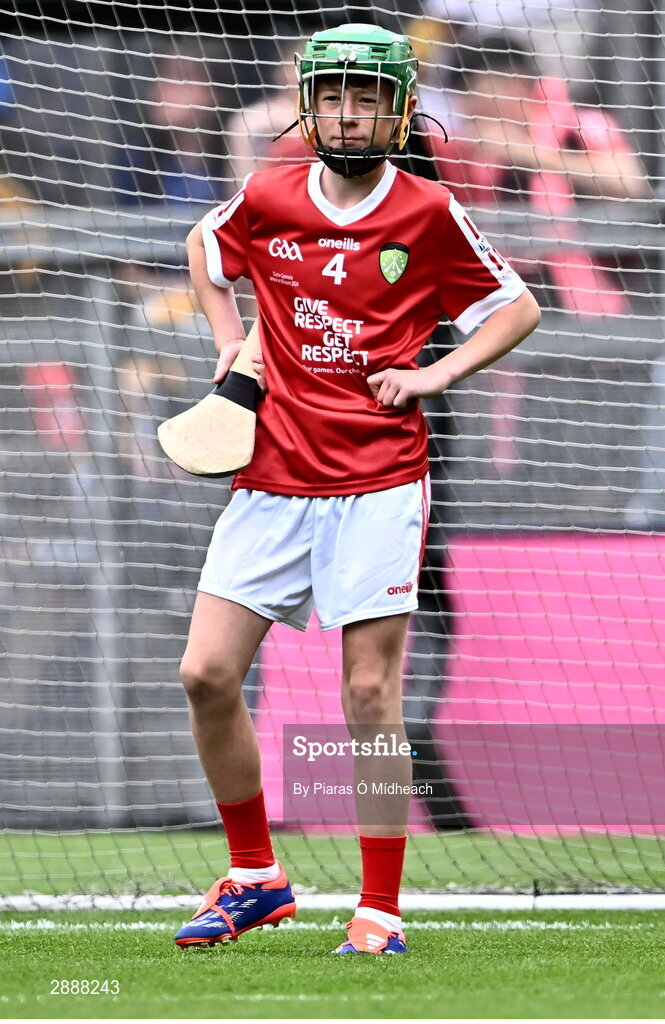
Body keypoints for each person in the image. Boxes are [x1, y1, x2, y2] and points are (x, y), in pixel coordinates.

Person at [174, 22, 540, 956]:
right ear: (309, 105)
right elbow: (205, 253)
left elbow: (515, 307)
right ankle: (256, 878)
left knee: (368, 693)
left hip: (380, 481)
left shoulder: (425, 211)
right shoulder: (266, 194)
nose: (348, 112)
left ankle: (379, 909)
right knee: (206, 675)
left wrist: (433, 376)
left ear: (401, 110)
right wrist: (228, 341)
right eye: (333, 94)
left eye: (368, 96)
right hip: (272, 476)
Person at [427, 36, 648, 317]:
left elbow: (630, 185)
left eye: (478, 97)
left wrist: (525, 153)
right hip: (510, 304)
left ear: (515, 84)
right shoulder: (466, 152)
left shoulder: (581, 126)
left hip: (595, 304)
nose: (469, 111)